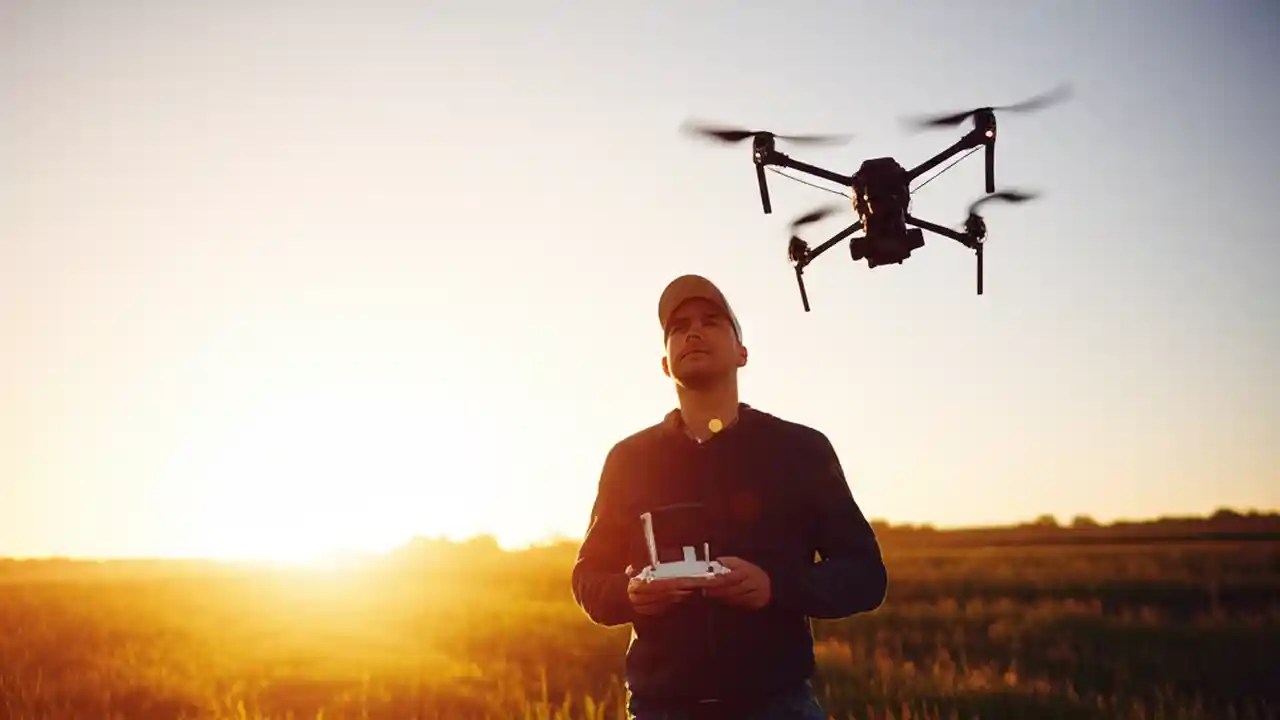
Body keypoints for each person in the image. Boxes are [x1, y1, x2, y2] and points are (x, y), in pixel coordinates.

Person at [571, 274, 888, 720]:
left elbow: (865, 574)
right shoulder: (629, 459)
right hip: (661, 709)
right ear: (665, 363)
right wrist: (630, 594)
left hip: (778, 706)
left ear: (742, 352)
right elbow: (587, 577)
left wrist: (775, 586)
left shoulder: (800, 450)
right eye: (678, 327)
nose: (693, 332)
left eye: (711, 321)